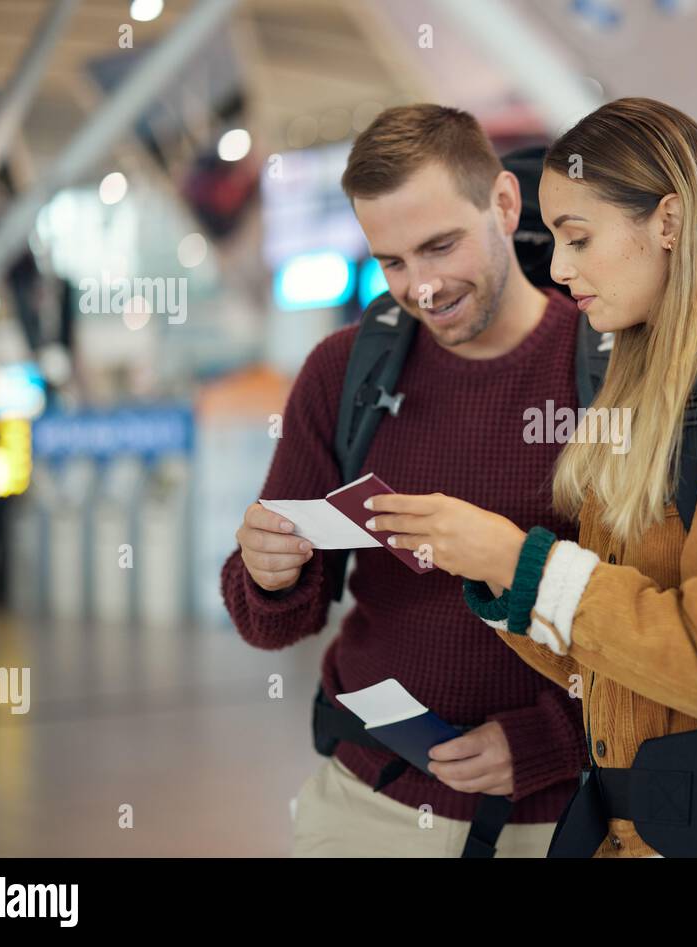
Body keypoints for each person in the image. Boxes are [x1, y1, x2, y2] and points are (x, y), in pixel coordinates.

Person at [365, 97, 697, 857]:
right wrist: (502, 579)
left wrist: (522, 563)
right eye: (554, 238)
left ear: (669, 223)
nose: (557, 268)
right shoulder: (666, 388)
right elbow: (626, 658)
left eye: (578, 237)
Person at [220, 104, 590, 857]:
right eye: (392, 262)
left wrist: (556, 737)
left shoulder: (606, 371)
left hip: (565, 814)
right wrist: (266, 572)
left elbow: (666, 610)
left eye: (440, 246)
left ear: (505, 205)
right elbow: (277, 622)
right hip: (371, 806)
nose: (420, 287)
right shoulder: (345, 371)